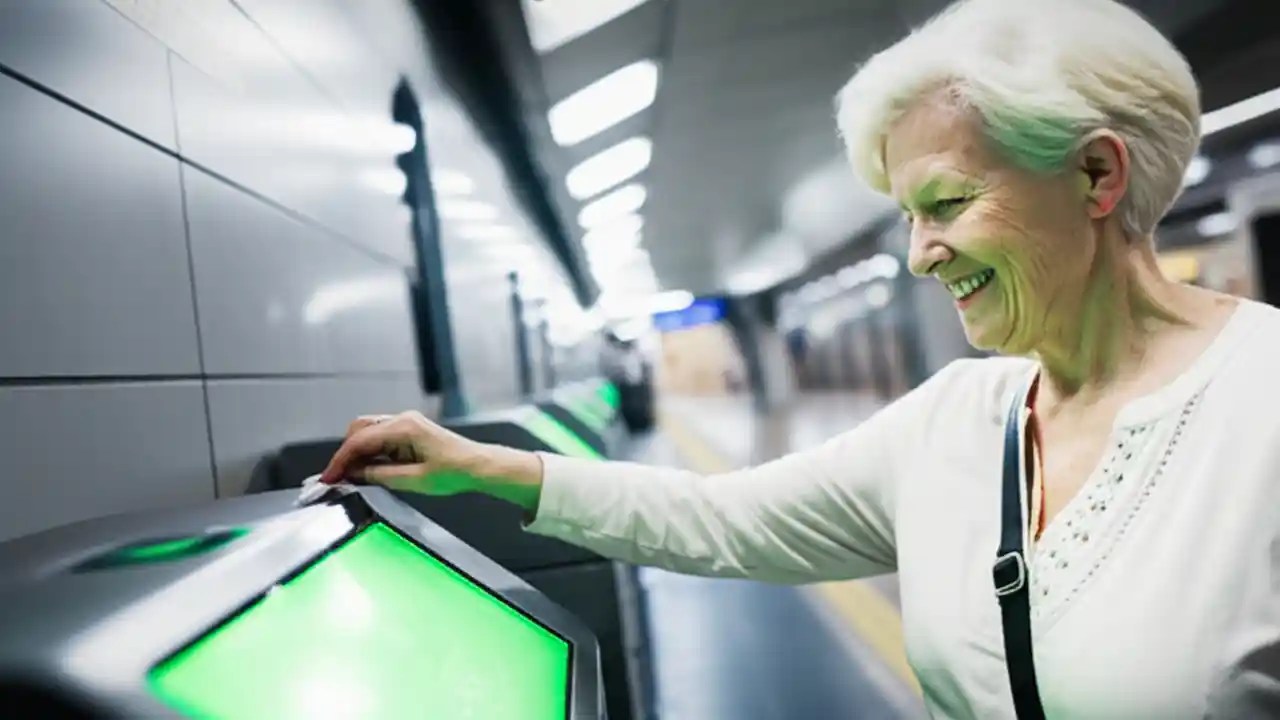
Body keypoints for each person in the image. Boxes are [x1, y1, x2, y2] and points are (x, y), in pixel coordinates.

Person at [320, 0, 1280, 716]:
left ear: (1096, 174)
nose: (918, 254)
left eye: (946, 204)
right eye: (907, 217)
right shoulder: (955, 421)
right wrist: (481, 464)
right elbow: (720, 518)